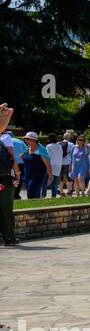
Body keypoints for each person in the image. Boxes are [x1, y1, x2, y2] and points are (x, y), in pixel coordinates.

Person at [0, 104, 19, 246]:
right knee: (6, 208)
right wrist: (17, 175)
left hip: (4, 179)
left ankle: (8, 236)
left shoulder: (4, 138)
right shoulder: (5, 139)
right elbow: (13, 159)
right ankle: (9, 237)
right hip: (4, 180)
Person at [17, 132, 50, 200]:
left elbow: (47, 162)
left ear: (34, 140)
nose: (26, 141)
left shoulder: (41, 149)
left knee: (32, 191)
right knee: (32, 191)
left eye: (28, 139)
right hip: (28, 174)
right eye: (26, 139)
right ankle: (37, 207)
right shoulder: (27, 149)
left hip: (38, 174)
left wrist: (50, 174)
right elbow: (22, 157)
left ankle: (33, 207)